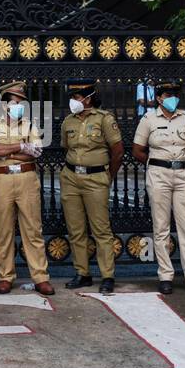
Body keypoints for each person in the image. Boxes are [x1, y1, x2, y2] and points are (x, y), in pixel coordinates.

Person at [0, 81, 54, 296]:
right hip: (2, 181)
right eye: (15, 102)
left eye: (21, 102)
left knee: (33, 229)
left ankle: (40, 277)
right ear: (5, 105)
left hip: (27, 179)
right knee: (4, 230)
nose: (19, 106)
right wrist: (21, 146)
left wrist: (7, 153)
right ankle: (5, 277)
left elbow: (36, 152)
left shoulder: (30, 126)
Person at [132, 79, 185, 295]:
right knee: (161, 226)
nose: (172, 97)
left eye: (174, 93)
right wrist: (157, 164)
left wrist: (178, 162)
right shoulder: (148, 119)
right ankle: (165, 275)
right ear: (159, 98)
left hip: (182, 174)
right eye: (167, 94)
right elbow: (137, 150)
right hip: (159, 175)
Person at [60, 77, 123, 294]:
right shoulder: (68, 121)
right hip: (70, 178)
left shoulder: (105, 119)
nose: (73, 101)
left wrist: (108, 176)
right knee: (76, 229)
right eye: (72, 97)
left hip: (96, 179)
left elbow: (117, 150)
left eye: (77, 97)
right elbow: (66, 147)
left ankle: (107, 275)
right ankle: (82, 273)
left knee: (101, 230)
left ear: (88, 98)